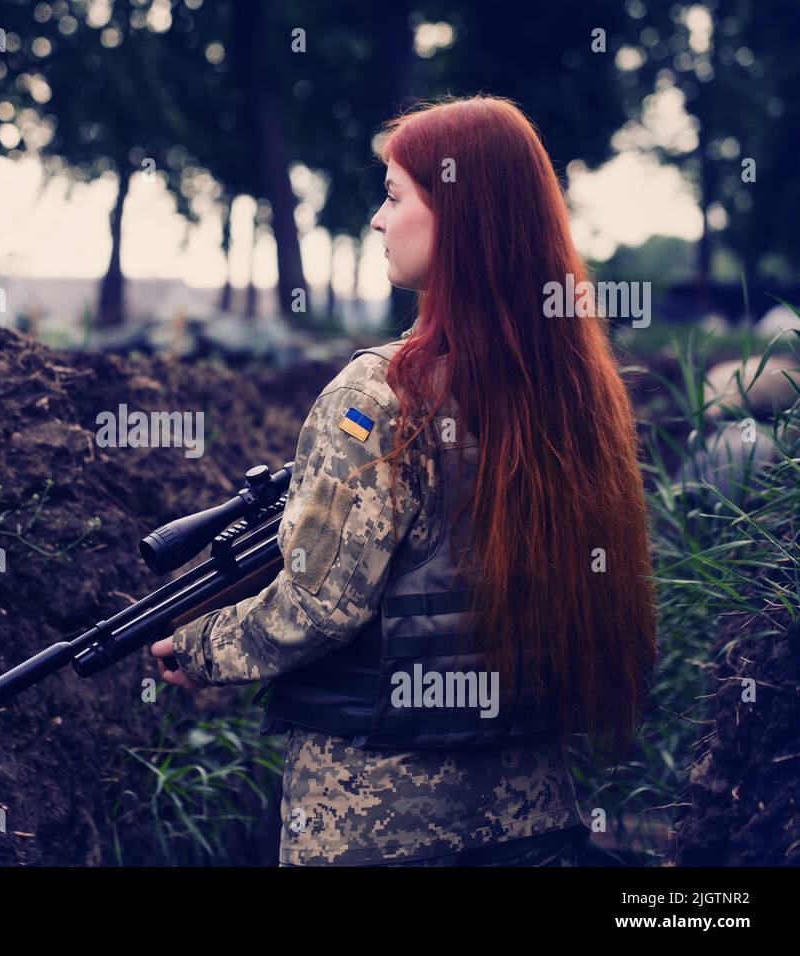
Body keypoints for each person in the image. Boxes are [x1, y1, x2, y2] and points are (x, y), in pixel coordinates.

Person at [149, 96, 658, 867]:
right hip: (535, 820)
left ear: (460, 214)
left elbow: (319, 607)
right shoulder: (571, 391)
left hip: (374, 827)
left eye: (393, 197)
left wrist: (196, 650)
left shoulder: (379, 397)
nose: (379, 221)